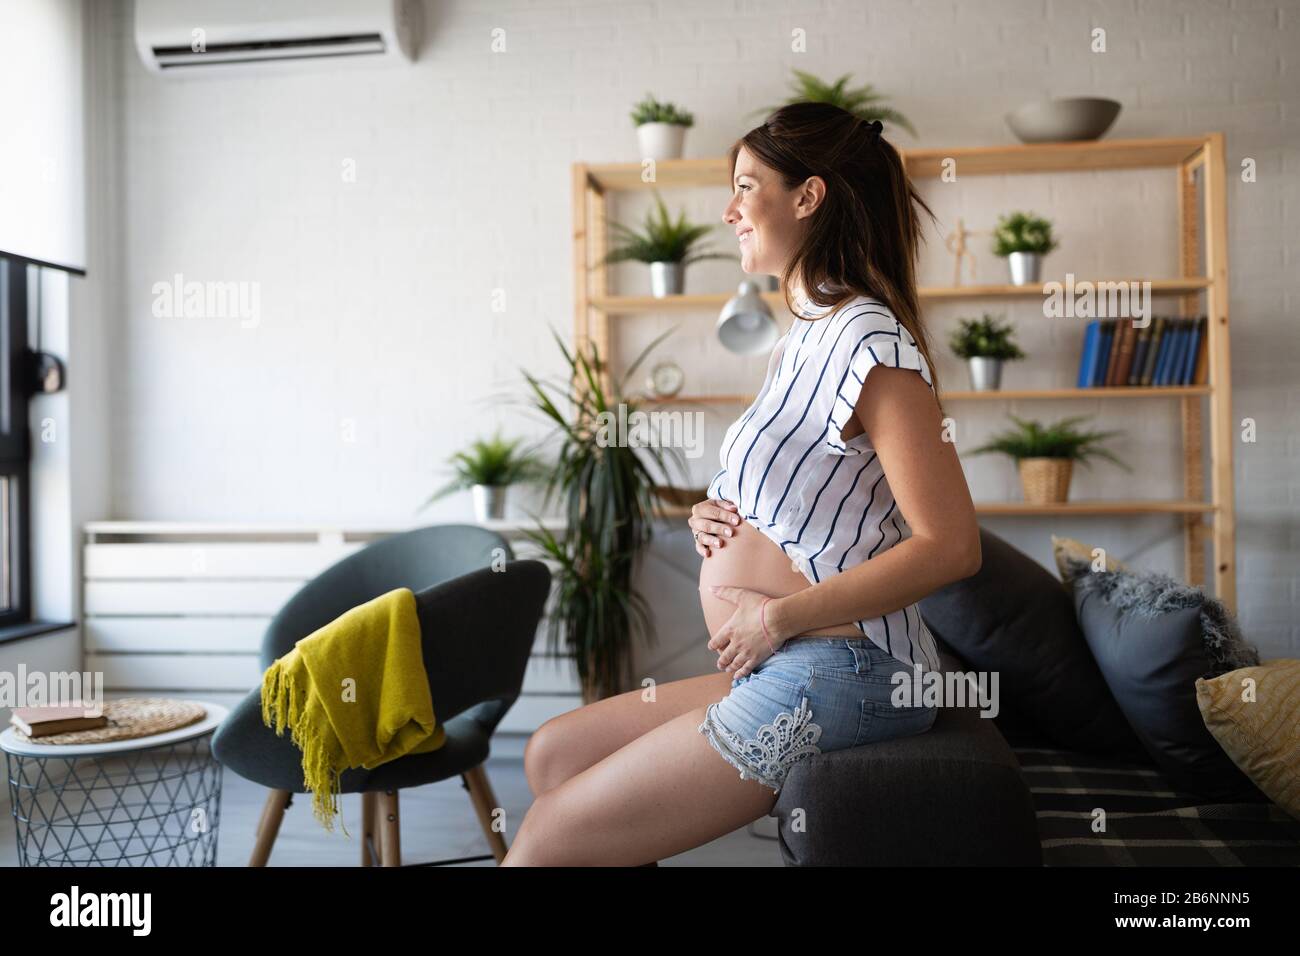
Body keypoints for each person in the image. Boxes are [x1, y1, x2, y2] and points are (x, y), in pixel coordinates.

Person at [501, 102, 981, 867]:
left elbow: (951, 547)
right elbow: (810, 488)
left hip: (850, 663)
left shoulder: (867, 337)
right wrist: (719, 514)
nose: (728, 211)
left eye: (746, 187)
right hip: (788, 654)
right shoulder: (807, 334)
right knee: (555, 754)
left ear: (808, 197)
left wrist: (779, 616)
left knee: (544, 841)